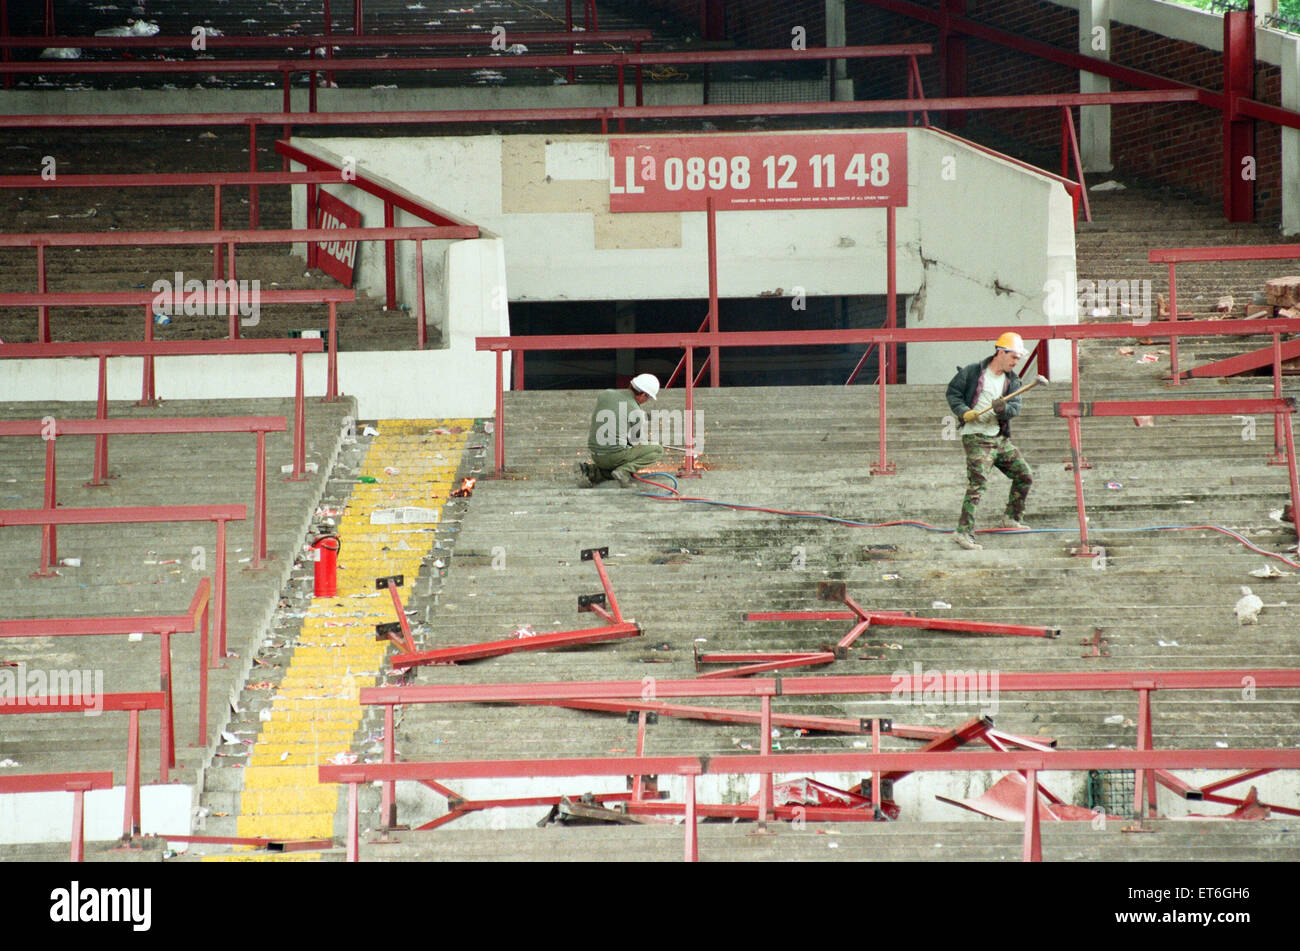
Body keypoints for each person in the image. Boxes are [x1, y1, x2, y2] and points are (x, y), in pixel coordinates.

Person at [945, 332, 1034, 550]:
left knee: (1024, 475)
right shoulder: (973, 372)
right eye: (1013, 357)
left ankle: (1011, 518)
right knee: (978, 483)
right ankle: (963, 532)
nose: (1015, 362)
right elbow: (953, 392)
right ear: (1000, 353)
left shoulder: (1013, 381)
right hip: (976, 436)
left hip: (998, 437)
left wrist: (1004, 409)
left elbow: (1015, 408)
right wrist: (964, 411)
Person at [579, 373, 665, 487]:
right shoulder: (636, 411)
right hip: (612, 457)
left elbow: (619, 409)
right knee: (658, 450)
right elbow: (637, 441)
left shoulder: (605, 394)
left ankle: (591, 471)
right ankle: (624, 472)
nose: (646, 401)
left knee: (617, 457)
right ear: (644, 394)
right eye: (648, 398)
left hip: (595, 454)